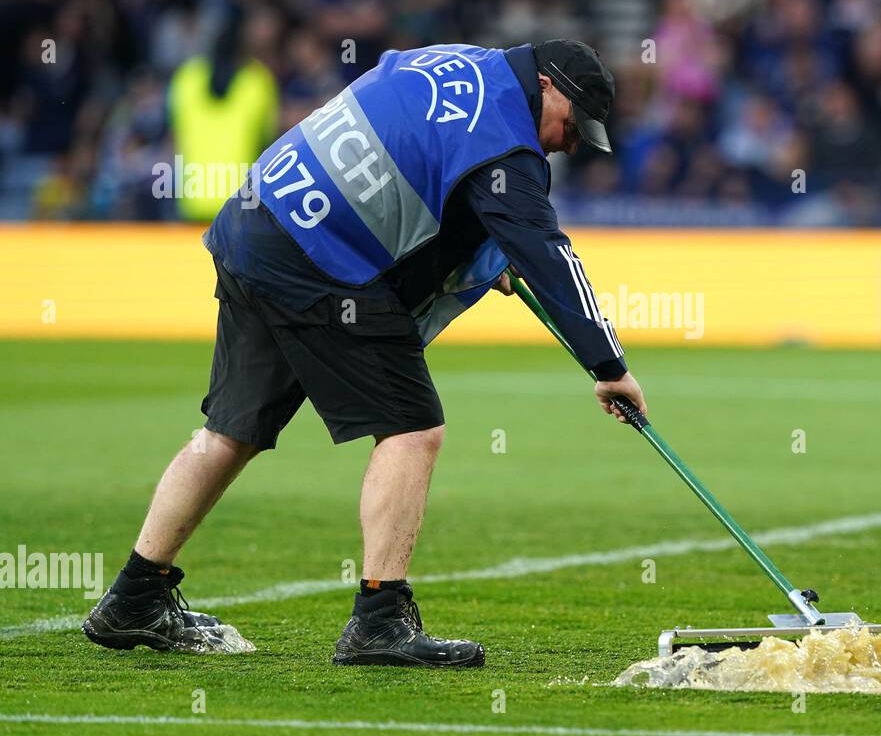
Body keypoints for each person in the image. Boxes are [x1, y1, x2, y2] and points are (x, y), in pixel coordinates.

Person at [82, 40, 646, 668]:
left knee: (228, 432)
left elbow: (415, 141)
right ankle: (380, 620)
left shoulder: (456, 58)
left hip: (256, 218)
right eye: (572, 128)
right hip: (319, 259)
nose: (569, 145)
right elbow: (549, 255)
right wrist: (610, 368)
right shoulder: (505, 143)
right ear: (546, 85)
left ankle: (135, 597)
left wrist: (481, 255)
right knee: (412, 429)